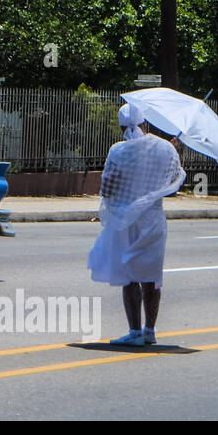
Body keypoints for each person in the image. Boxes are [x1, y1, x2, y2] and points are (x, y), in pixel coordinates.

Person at [88, 102, 186, 347]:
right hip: (152, 221)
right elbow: (173, 184)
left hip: (124, 220)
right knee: (151, 277)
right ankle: (149, 330)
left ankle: (134, 331)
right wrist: (170, 150)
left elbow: (107, 189)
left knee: (129, 277)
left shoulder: (117, 151)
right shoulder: (165, 149)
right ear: (145, 123)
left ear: (121, 126)